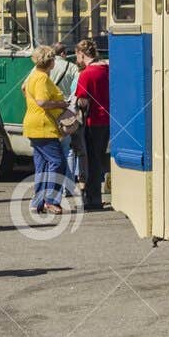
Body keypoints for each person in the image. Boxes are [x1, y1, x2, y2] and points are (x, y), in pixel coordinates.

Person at [22, 45, 69, 215]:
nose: (55, 61)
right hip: (43, 126)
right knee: (58, 162)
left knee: (42, 165)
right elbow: (42, 102)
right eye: (53, 59)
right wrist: (61, 104)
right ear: (50, 61)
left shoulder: (33, 75)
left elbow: (23, 88)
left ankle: (37, 202)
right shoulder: (42, 78)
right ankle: (51, 200)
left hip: (33, 124)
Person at [74, 38, 111, 211]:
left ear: (82, 54)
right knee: (99, 157)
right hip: (107, 120)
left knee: (91, 160)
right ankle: (95, 195)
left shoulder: (86, 74)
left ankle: (93, 198)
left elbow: (81, 99)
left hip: (92, 120)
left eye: (77, 56)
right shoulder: (106, 69)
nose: (77, 59)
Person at [48, 41, 82, 198]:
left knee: (51, 153)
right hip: (66, 112)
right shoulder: (72, 67)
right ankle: (68, 187)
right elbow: (77, 89)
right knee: (67, 151)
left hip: (49, 113)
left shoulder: (47, 67)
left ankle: (51, 189)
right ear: (63, 53)